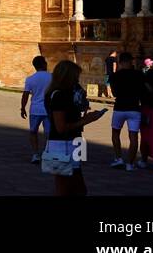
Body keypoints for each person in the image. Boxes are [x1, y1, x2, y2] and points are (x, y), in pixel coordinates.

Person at [43, 60, 107, 196]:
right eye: (75, 77)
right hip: (63, 144)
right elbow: (60, 127)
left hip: (73, 142)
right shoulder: (59, 95)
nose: (77, 80)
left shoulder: (60, 94)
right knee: (68, 188)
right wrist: (86, 120)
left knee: (73, 187)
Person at [108, 52, 144, 171]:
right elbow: (143, 91)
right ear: (131, 61)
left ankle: (118, 158)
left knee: (115, 133)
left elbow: (114, 93)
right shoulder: (139, 75)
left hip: (119, 107)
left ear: (120, 62)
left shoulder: (115, 76)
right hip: (134, 108)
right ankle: (130, 164)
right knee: (133, 136)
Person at [21, 56, 52, 163]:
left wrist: (23, 108)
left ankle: (35, 154)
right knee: (49, 133)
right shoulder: (52, 77)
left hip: (35, 109)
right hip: (49, 109)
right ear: (44, 64)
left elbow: (25, 95)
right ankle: (47, 152)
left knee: (33, 132)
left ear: (34, 66)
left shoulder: (30, 79)